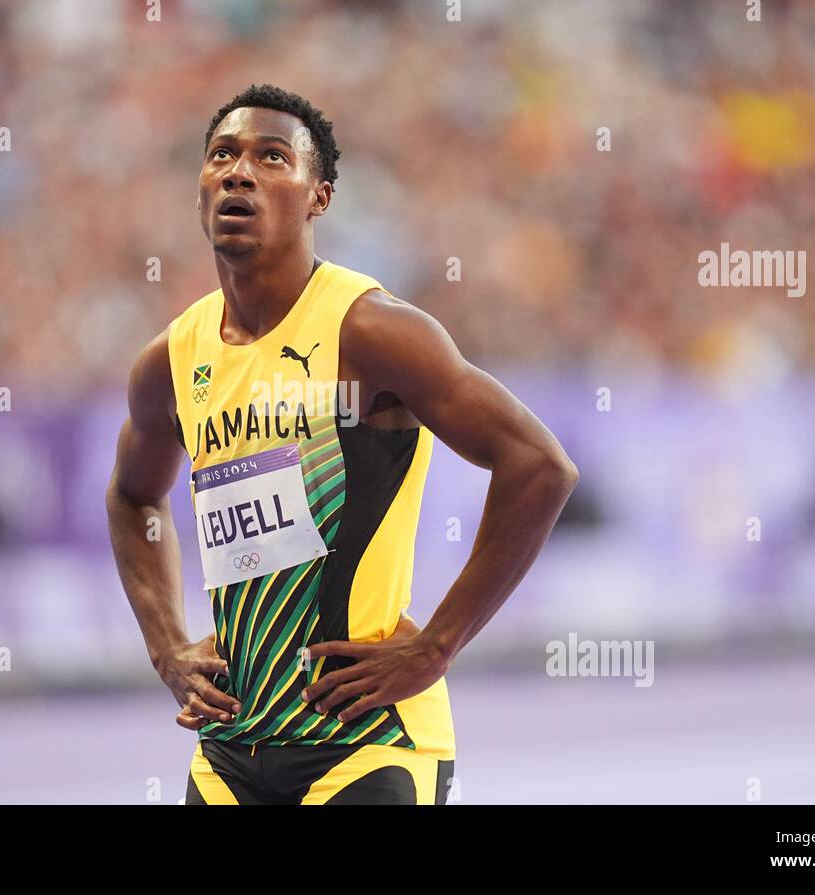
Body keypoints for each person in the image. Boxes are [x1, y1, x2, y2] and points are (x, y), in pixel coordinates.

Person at [106, 84, 578, 804]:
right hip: (231, 751)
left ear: (318, 196)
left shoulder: (372, 332)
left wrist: (437, 644)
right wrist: (167, 641)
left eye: (271, 158)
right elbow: (133, 494)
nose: (239, 172)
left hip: (367, 744)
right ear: (201, 187)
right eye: (222, 156)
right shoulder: (172, 360)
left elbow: (540, 465)